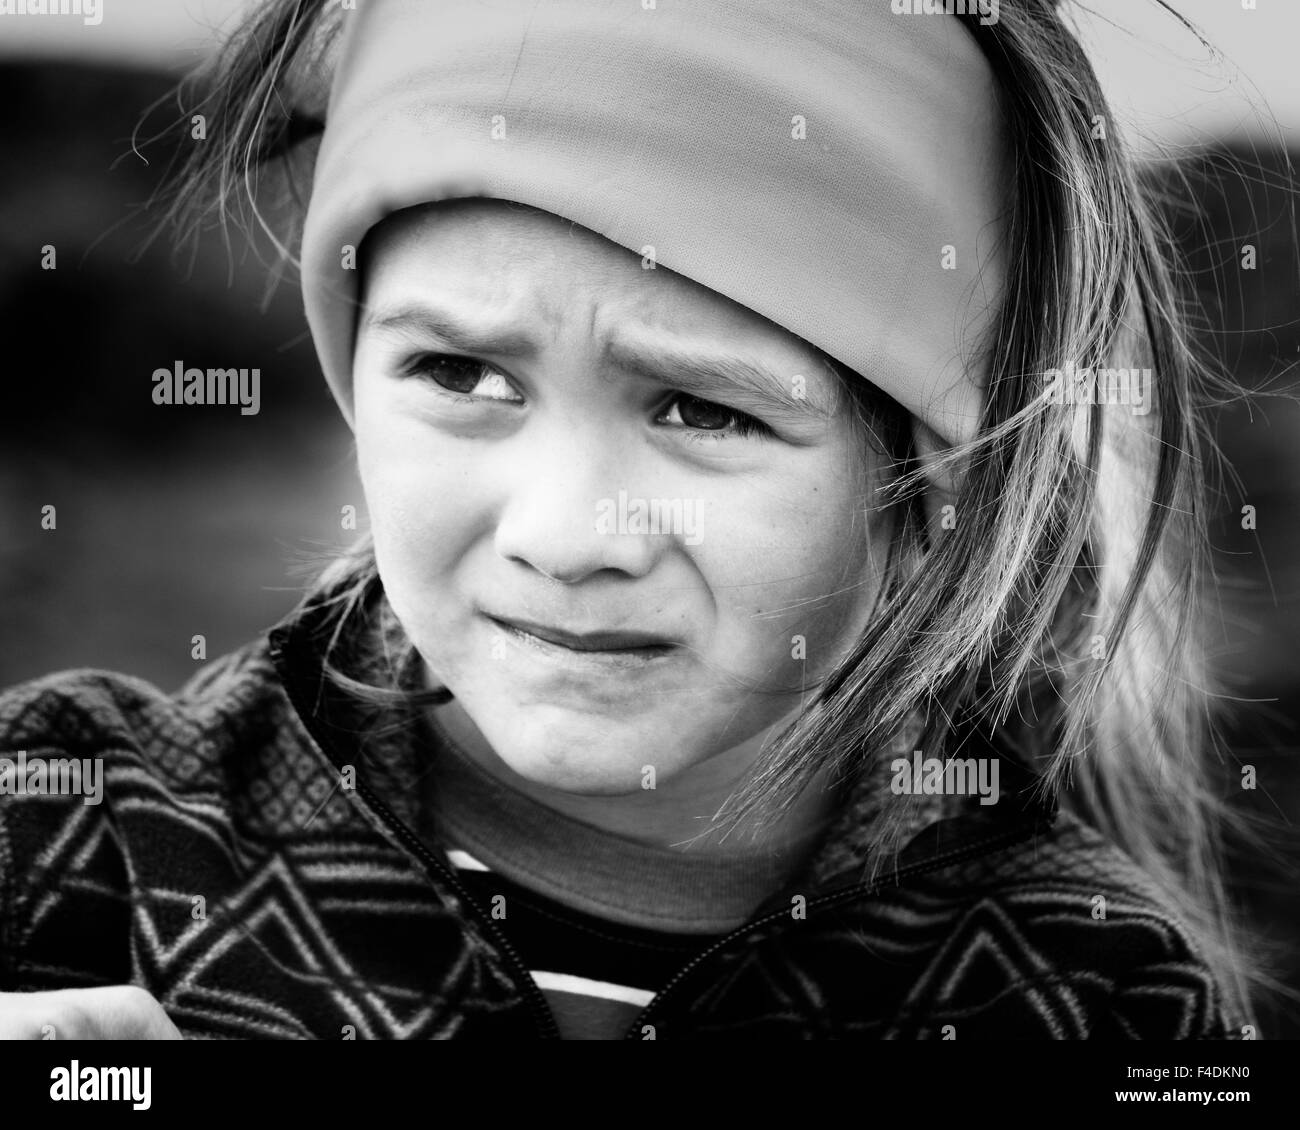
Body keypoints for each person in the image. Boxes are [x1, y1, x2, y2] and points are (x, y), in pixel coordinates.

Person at [0, 0, 1260, 1039]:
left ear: (932, 479)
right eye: (461, 377)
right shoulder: (67, 831)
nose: (564, 533)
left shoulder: (1086, 993)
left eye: (703, 413)